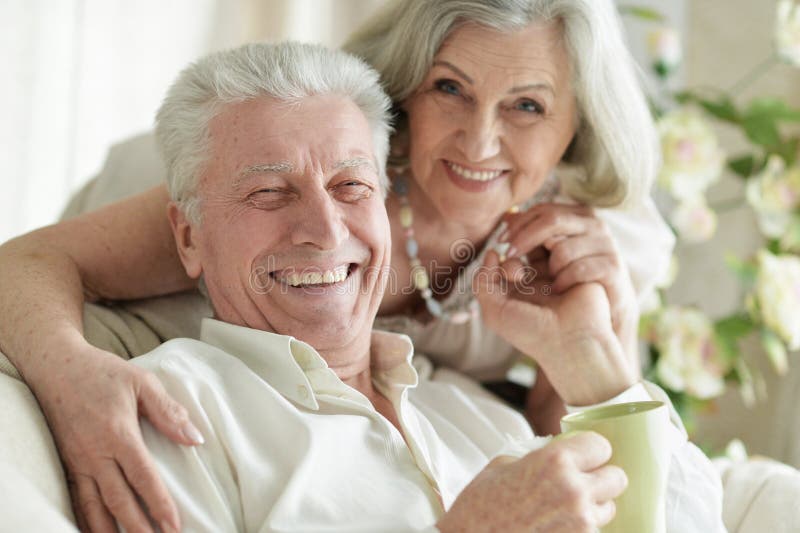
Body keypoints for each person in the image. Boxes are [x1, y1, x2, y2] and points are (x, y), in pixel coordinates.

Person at [0, 0, 675, 530]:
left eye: (528, 104)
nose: (481, 139)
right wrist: (70, 373)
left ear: (579, 126)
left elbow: (577, 463)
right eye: (450, 88)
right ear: (407, 88)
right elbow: (32, 258)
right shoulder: (294, 173)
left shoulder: (583, 243)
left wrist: (588, 350)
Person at [133, 39, 718, 532]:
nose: (324, 230)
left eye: (351, 187)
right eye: (268, 192)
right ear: (188, 238)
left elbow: (688, 520)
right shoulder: (174, 408)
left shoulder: (468, 411)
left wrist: (588, 360)